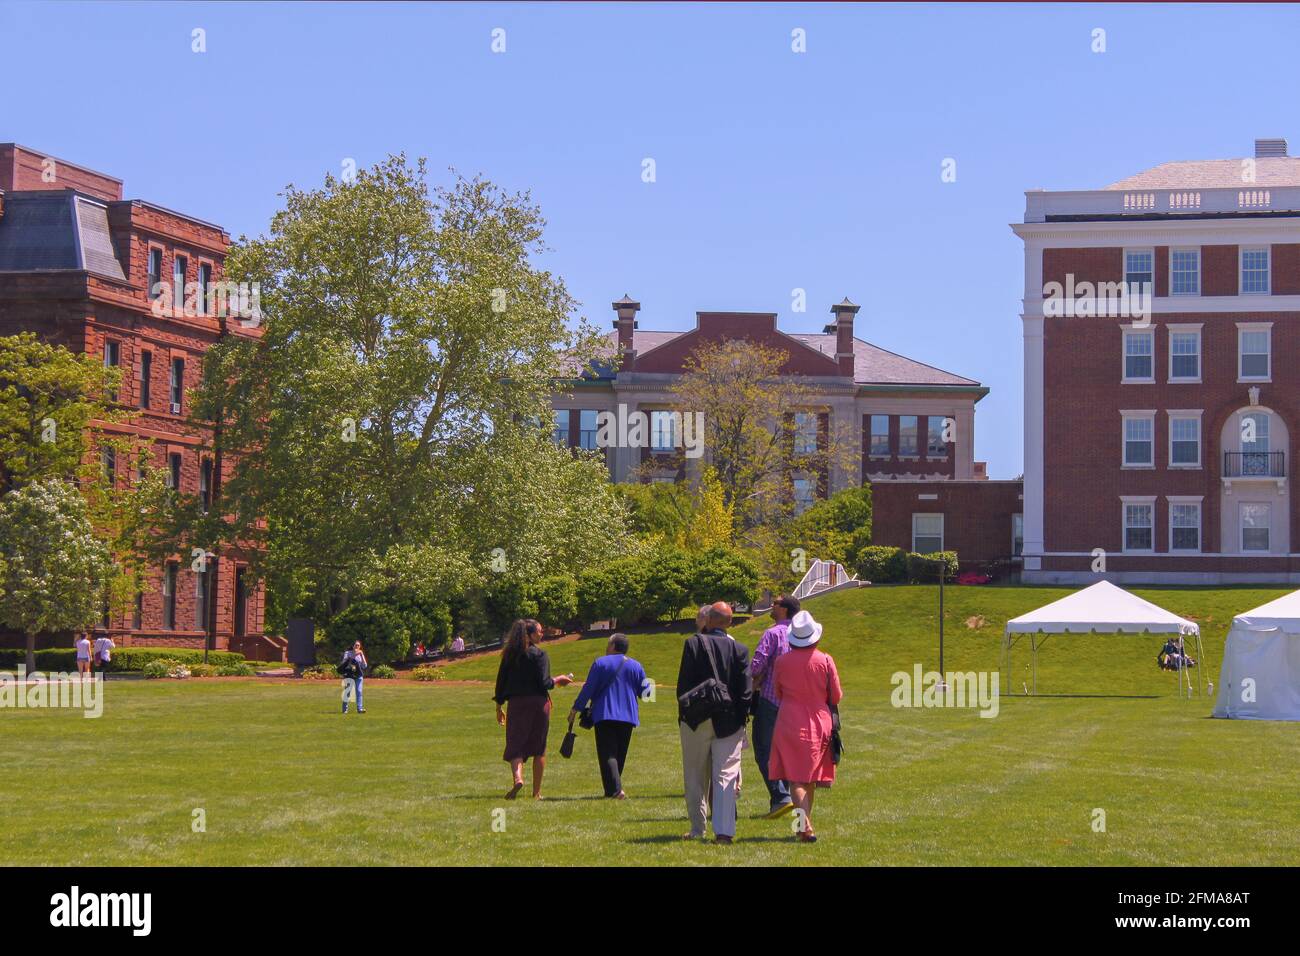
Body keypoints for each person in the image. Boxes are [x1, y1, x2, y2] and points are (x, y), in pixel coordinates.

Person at [676, 601, 753, 844]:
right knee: (726, 777)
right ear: (730, 622)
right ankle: (724, 832)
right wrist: (741, 719)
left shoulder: (693, 643)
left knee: (695, 775)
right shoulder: (739, 649)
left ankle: (698, 828)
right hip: (729, 722)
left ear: (707, 621)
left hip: (697, 719)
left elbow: (683, 685)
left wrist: (686, 715)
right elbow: (746, 691)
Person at [769, 610, 843, 844]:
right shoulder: (826, 660)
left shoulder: (781, 662)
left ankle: (803, 826)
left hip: (789, 720)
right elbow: (836, 696)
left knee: (797, 778)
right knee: (807, 778)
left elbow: (778, 692)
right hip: (819, 721)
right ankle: (805, 826)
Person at [494, 619, 573, 800]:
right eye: (538, 631)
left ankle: (518, 779)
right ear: (529, 635)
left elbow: (501, 683)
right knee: (539, 748)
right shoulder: (540, 655)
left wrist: (499, 705)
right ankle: (536, 793)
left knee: (515, 744)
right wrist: (559, 679)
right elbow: (545, 683)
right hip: (539, 704)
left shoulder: (509, 655)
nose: (541, 634)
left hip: (516, 704)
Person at [568, 633, 647, 799]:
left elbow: (588, 688)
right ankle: (612, 790)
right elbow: (646, 694)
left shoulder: (600, 663)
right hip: (628, 716)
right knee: (619, 754)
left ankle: (616, 790)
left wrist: (576, 708)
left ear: (612, 646)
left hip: (605, 713)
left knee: (607, 754)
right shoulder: (637, 666)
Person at [750, 595, 798, 818]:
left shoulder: (773, 633)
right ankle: (784, 796)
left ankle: (780, 797)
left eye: (775, 603)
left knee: (763, 749)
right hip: (795, 703)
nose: (772, 606)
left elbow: (757, 664)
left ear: (784, 610)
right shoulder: (801, 635)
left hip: (770, 700)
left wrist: (752, 681)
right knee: (786, 750)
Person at [339, 640, 368, 714]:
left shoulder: (360, 654)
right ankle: (344, 710)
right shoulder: (347, 653)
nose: (357, 646)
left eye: (358, 645)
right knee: (347, 692)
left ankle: (360, 709)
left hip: (358, 675)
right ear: (353, 646)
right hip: (349, 675)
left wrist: (362, 655)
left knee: (359, 691)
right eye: (356, 645)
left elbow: (364, 666)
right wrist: (355, 654)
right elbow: (344, 662)